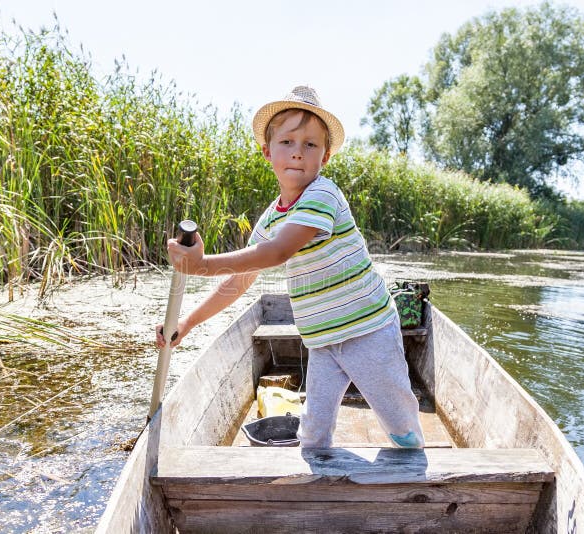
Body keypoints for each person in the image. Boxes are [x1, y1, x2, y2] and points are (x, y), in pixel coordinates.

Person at [155, 86, 424, 448]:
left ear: (324, 157)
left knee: (401, 427)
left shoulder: (323, 195)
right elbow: (240, 281)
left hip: (369, 330)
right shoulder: (270, 218)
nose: (298, 151)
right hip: (323, 341)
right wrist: (187, 322)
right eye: (287, 142)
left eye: (310, 145)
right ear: (268, 152)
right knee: (312, 435)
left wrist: (201, 266)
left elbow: (279, 252)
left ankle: (414, 470)